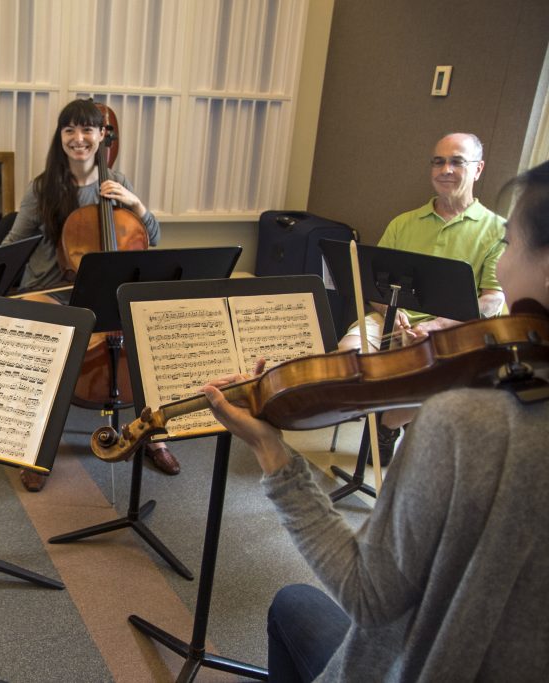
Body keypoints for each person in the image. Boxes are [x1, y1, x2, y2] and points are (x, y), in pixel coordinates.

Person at [200, 161, 549, 682]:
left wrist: (274, 454)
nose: (500, 264)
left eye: (510, 244)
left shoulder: (467, 424)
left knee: (292, 604)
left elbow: (370, 594)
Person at [0, 99, 176, 490]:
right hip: (52, 290)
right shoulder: (43, 187)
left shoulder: (118, 183)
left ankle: (152, 434)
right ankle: (37, 447)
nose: (79, 139)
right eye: (70, 130)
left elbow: (153, 238)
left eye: (87, 130)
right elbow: (14, 241)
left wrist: (136, 205)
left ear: (101, 136)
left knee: (152, 344)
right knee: (45, 353)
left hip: (103, 294)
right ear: (61, 136)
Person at [337, 133, 506, 462]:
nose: (445, 169)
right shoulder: (403, 223)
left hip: (455, 331)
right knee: (348, 357)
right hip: (393, 320)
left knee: (434, 376)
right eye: (438, 161)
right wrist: (390, 312)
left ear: (478, 169)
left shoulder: (497, 229)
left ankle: (388, 424)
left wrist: (438, 326)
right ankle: (395, 419)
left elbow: (491, 300)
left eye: (457, 161)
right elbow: (373, 287)